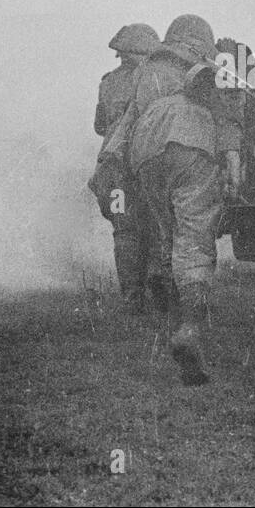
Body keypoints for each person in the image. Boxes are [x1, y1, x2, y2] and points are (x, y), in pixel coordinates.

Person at [109, 14, 243, 385]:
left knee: (168, 236)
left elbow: (124, 125)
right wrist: (232, 155)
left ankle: (171, 307)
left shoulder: (145, 70)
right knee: (194, 236)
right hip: (190, 141)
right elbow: (225, 109)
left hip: (144, 154)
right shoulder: (207, 63)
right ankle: (190, 330)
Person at [88, 23, 160, 312]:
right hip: (148, 164)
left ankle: (132, 300)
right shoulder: (155, 80)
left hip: (114, 170)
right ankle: (161, 297)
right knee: (157, 227)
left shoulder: (108, 82)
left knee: (125, 232)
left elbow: (99, 125)